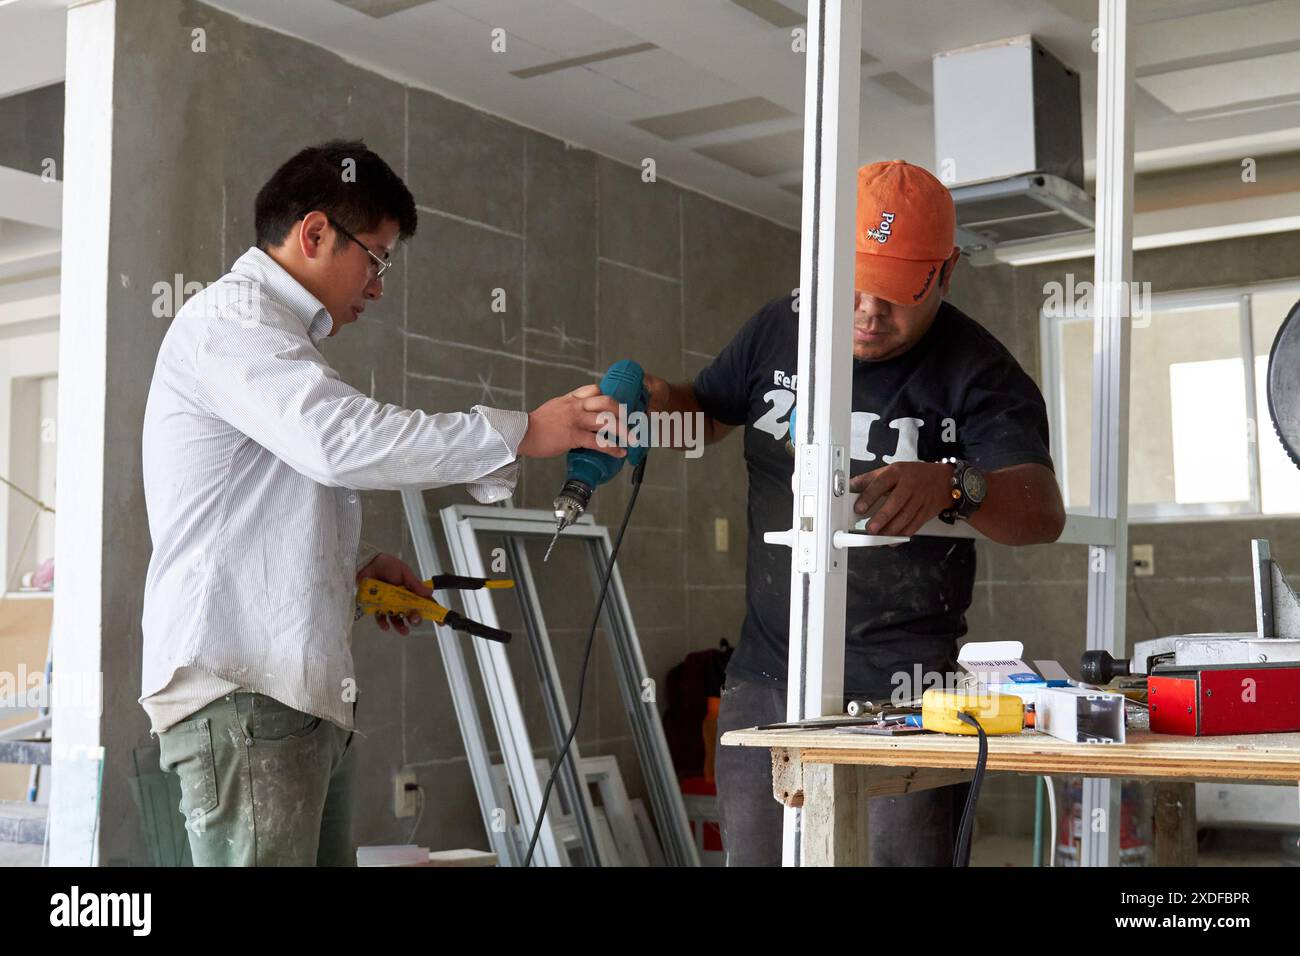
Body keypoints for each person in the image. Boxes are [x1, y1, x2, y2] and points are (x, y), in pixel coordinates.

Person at [140, 140, 624, 866]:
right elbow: (337, 442)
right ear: (313, 233)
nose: (379, 284)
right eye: (377, 257)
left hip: (287, 699)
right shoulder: (230, 322)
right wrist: (522, 432)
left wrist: (354, 570)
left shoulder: (275, 341)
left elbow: (260, 501)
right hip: (244, 695)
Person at [643, 160, 1065, 865]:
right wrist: (659, 409)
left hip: (907, 689)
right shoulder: (781, 328)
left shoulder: (976, 369)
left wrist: (958, 485)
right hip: (769, 675)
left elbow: (1042, 512)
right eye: (855, 284)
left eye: (896, 292)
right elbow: (708, 415)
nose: (868, 310)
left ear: (947, 271)